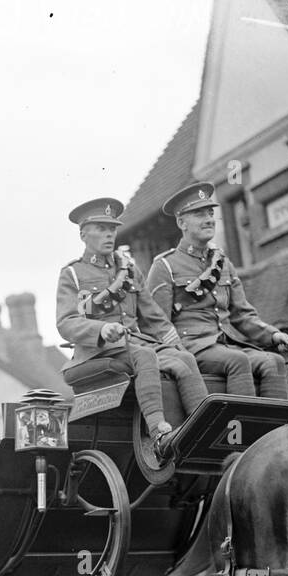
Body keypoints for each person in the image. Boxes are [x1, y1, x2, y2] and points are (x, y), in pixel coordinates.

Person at [57, 197, 208, 465]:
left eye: (112, 229)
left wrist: (176, 344)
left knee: (184, 360)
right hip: (96, 353)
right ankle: (158, 432)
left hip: (134, 344)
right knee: (144, 356)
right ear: (83, 234)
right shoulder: (73, 274)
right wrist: (102, 329)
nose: (109, 234)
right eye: (101, 228)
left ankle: (203, 428)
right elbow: (66, 322)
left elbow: (152, 317)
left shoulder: (129, 270)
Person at [148, 182, 288, 398]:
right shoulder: (165, 266)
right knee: (238, 361)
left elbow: (242, 314)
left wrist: (273, 335)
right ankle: (240, 429)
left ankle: (275, 430)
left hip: (228, 344)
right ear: (181, 222)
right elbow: (156, 323)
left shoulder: (222, 263)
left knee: (272, 361)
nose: (209, 219)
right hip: (191, 347)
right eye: (199, 214)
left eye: (210, 213)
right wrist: (177, 355)